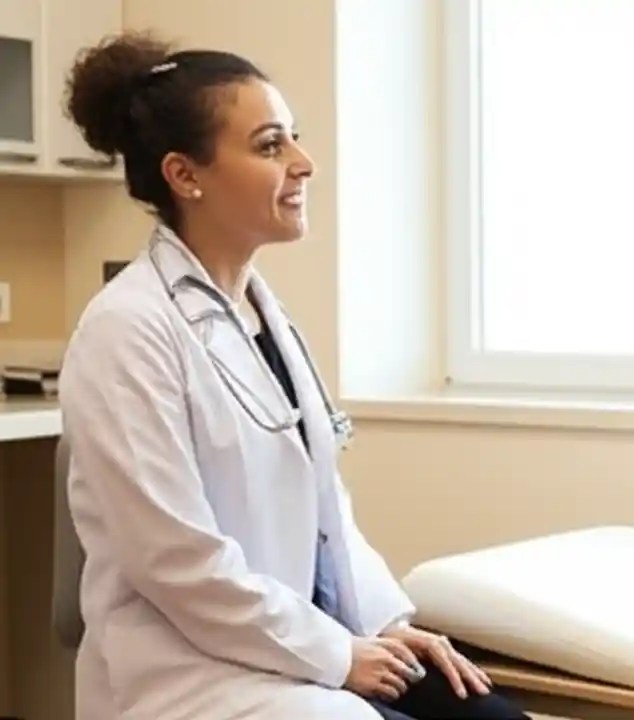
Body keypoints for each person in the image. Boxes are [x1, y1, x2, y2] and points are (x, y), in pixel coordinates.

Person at [57, 32, 529, 720]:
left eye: (294, 140)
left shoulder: (262, 314)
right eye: (271, 145)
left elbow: (327, 514)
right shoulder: (126, 329)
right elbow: (175, 563)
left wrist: (390, 628)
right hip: (190, 671)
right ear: (185, 175)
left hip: (296, 641)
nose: (304, 164)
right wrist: (339, 656)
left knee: (484, 713)